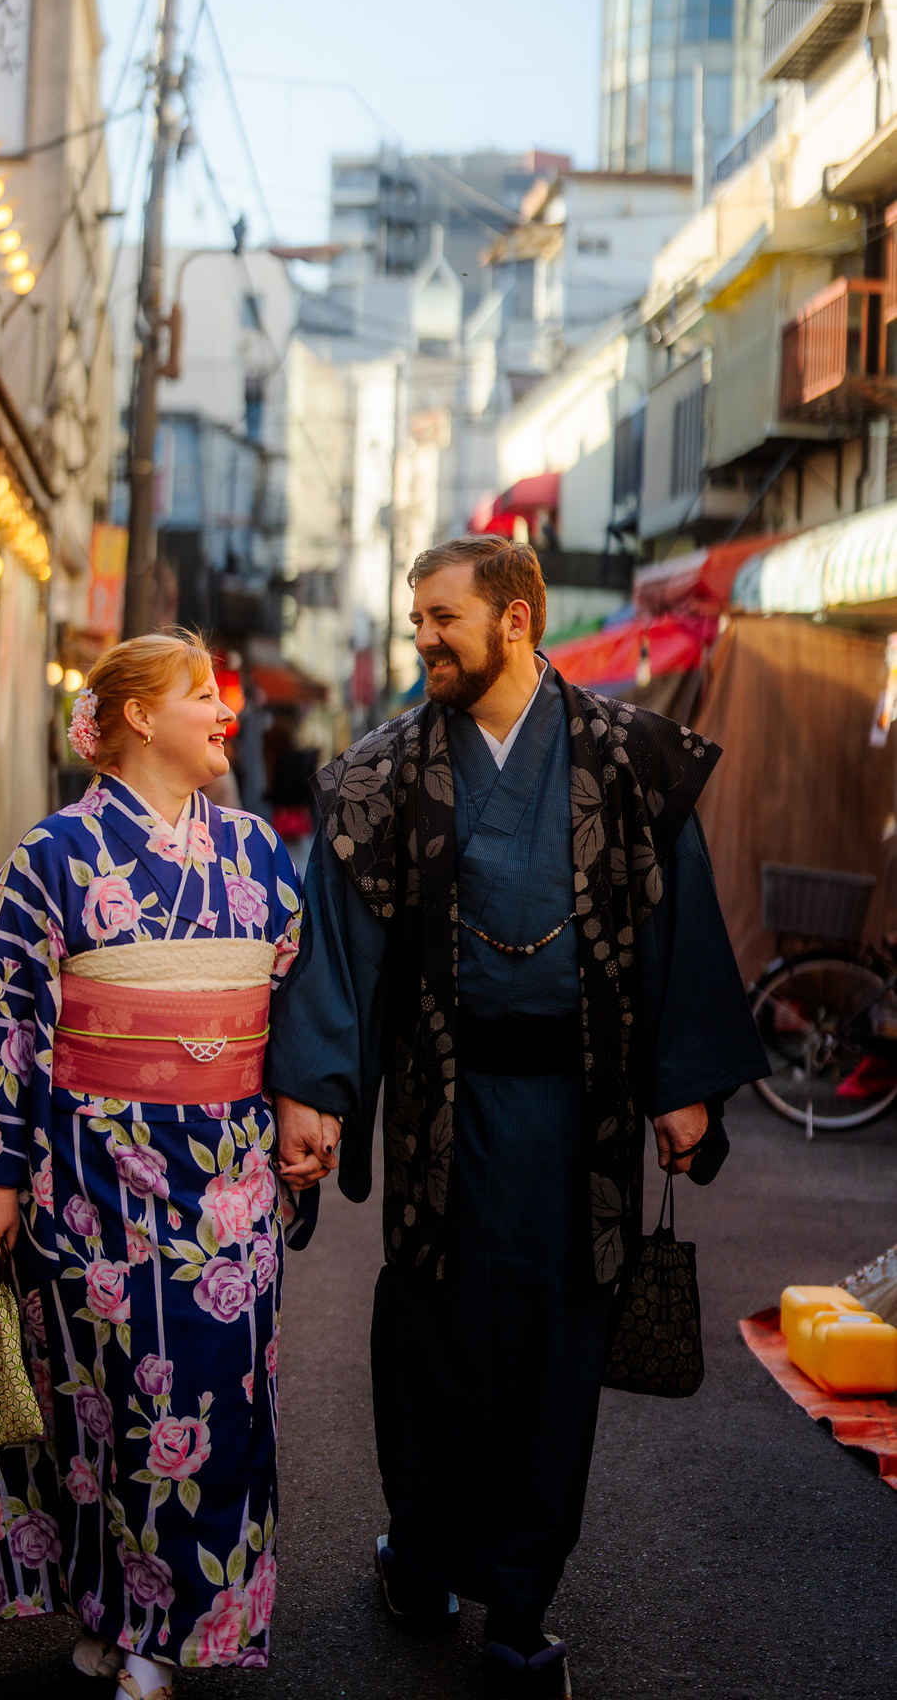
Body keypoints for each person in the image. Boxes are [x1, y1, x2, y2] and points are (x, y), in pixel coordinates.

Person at [267, 537, 767, 1697]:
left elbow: (675, 922)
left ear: (517, 616)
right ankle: (427, 1555)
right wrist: (314, 1087)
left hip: (576, 1107)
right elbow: (341, 946)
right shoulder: (381, 774)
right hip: (445, 1106)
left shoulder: (627, 756)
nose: (422, 636)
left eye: (441, 615)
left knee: (555, 1343)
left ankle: (521, 1599)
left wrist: (678, 1081)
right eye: (415, 618)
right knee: (429, 1336)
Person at [0, 630, 325, 1700]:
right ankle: (111, 1604)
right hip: (92, 1173)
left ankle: (171, 1628)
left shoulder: (254, 848)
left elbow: (299, 991)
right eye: (202, 696)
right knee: (96, 1402)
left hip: (225, 1168)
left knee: (213, 1400)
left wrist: (300, 1099)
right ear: (138, 716)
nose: (225, 714)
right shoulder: (53, 855)